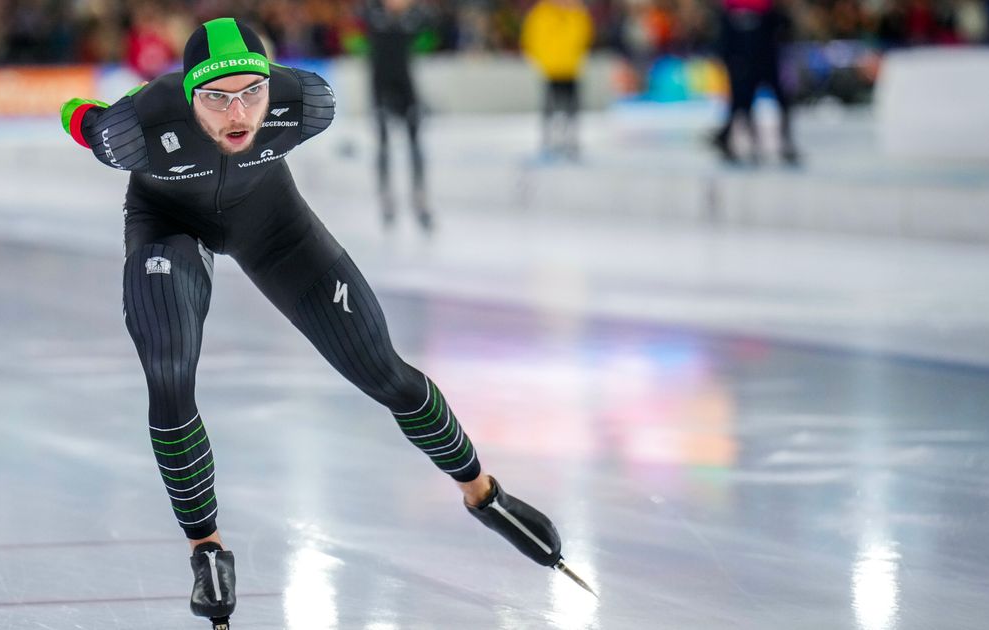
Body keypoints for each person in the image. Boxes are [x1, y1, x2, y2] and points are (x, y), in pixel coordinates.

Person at [59, 17, 567, 629]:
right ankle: (207, 550)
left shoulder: (307, 103)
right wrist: (104, 114)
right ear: (188, 94)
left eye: (252, 92)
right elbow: (75, 114)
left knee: (385, 372)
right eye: (216, 98)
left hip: (270, 223)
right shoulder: (135, 129)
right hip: (168, 223)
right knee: (168, 369)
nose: (237, 113)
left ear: (271, 84)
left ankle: (484, 493)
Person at [363, 0, 433, 231]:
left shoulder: (415, 16)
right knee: (383, 145)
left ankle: (420, 198)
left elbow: (433, 28)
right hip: (380, 87)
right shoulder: (373, 13)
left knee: (415, 143)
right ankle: (386, 200)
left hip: (406, 87)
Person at [712, 0, 800, 165]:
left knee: (747, 104)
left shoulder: (761, 10)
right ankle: (746, 143)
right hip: (747, 63)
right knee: (743, 104)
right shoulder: (734, 10)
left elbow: (782, 27)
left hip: (762, 61)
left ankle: (774, 143)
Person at [519, 0, 594, 160]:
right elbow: (531, 38)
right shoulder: (541, 14)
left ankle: (570, 139)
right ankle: (549, 140)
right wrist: (541, 59)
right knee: (550, 106)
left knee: (571, 107)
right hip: (551, 68)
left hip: (571, 68)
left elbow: (585, 37)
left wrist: (577, 56)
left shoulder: (577, 13)